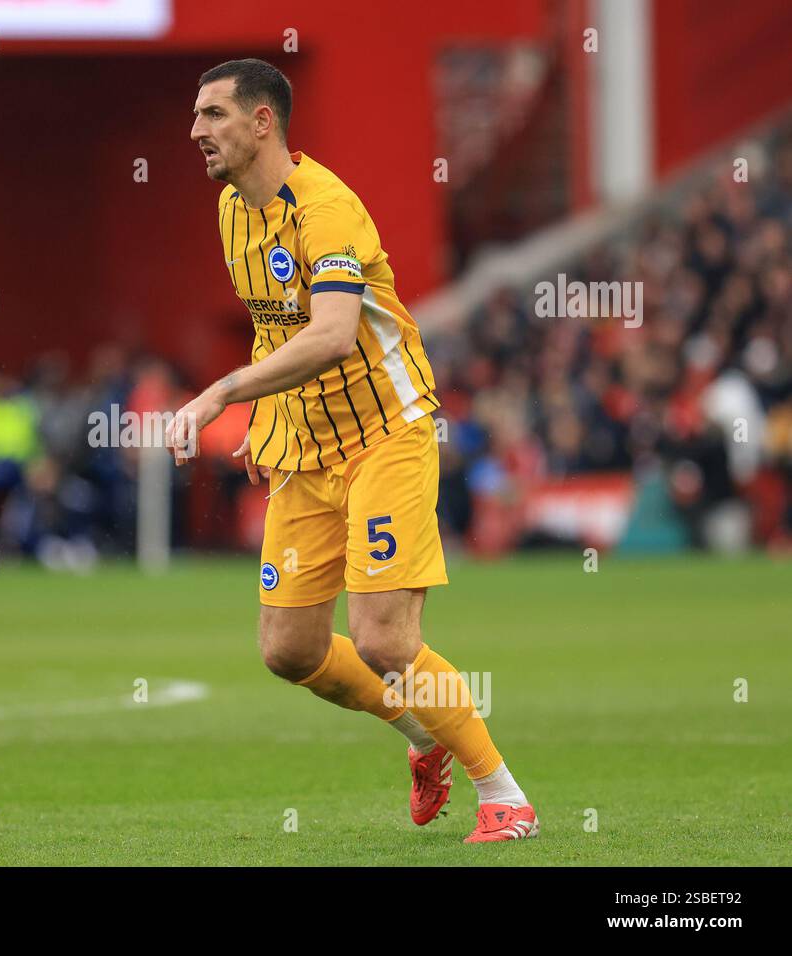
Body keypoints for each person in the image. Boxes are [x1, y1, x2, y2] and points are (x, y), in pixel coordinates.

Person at [168, 58, 537, 843]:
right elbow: (279, 326)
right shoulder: (233, 209)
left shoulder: (329, 210)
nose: (195, 131)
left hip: (386, 436)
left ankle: (505, 797)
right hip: (306, 449)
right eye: (196, 116)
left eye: (212, 114)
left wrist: (223, 393)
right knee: (289, 650)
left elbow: (333, 334)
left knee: (382, 638)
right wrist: (272, 428)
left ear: (262, 121)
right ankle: (424, 736)